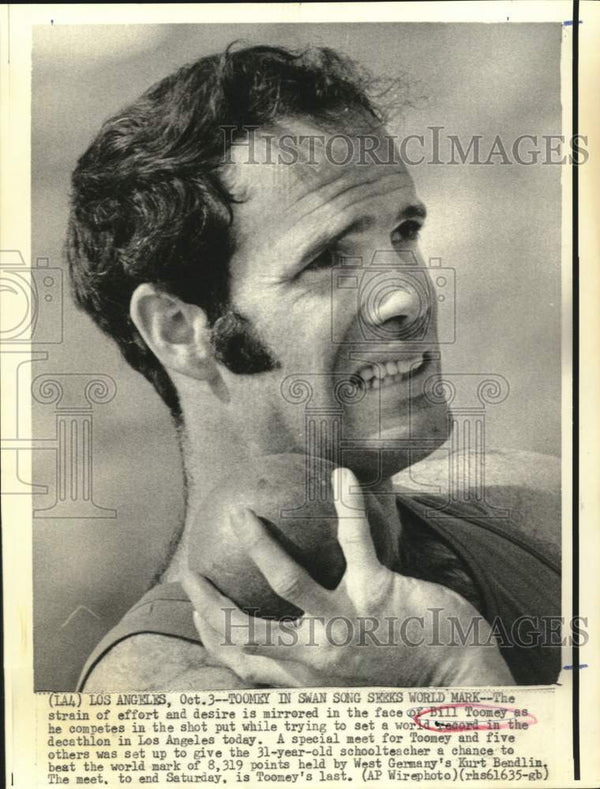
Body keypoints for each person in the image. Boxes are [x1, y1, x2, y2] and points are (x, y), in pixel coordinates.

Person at [67, 44, 560, 691]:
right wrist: (450, 673)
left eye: (403, 233)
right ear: (181, 330)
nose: (406, 295)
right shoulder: (163, 692)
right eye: (327, 259)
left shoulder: (534, 506)